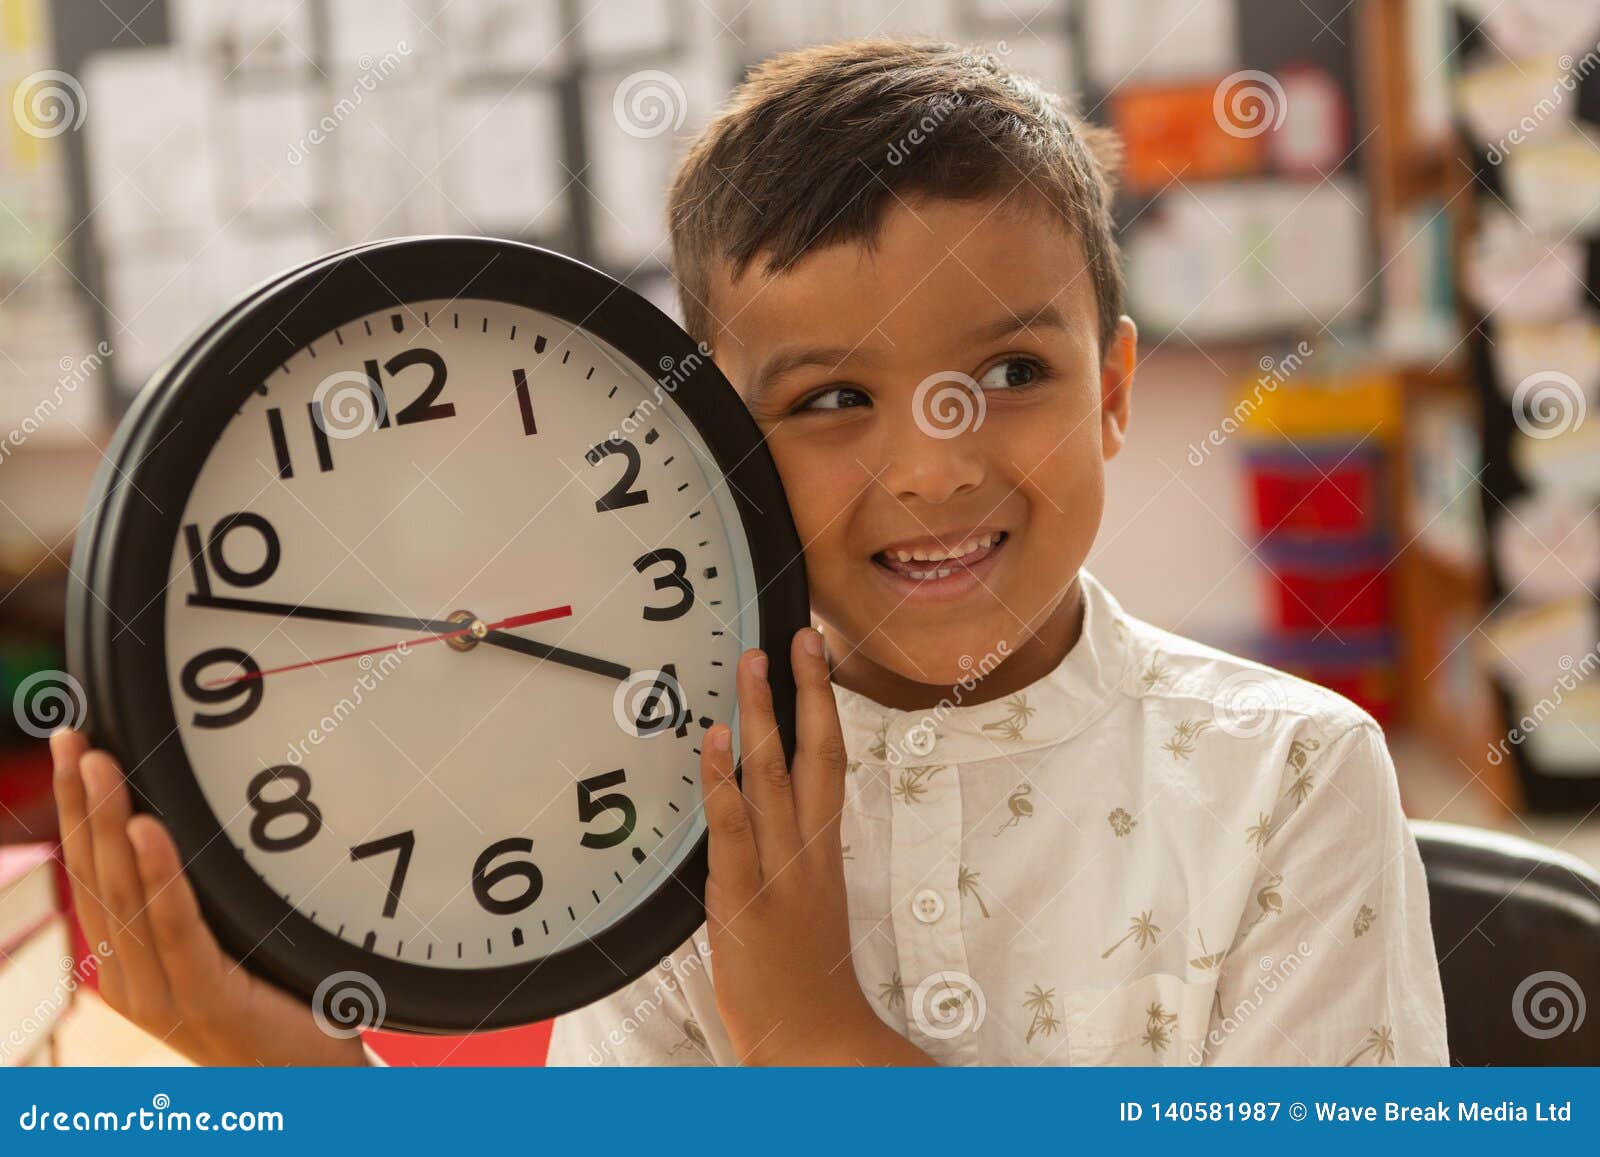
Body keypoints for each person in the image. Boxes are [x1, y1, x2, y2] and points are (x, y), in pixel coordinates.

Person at [49, 38, 1447, 1067]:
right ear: (713, 443)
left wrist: (816, 1036)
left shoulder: (1295, 775)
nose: (935, 462)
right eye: (832, 400)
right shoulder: (665, 799)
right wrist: (287, 1076)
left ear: (1118, 390)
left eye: (1013, 369)